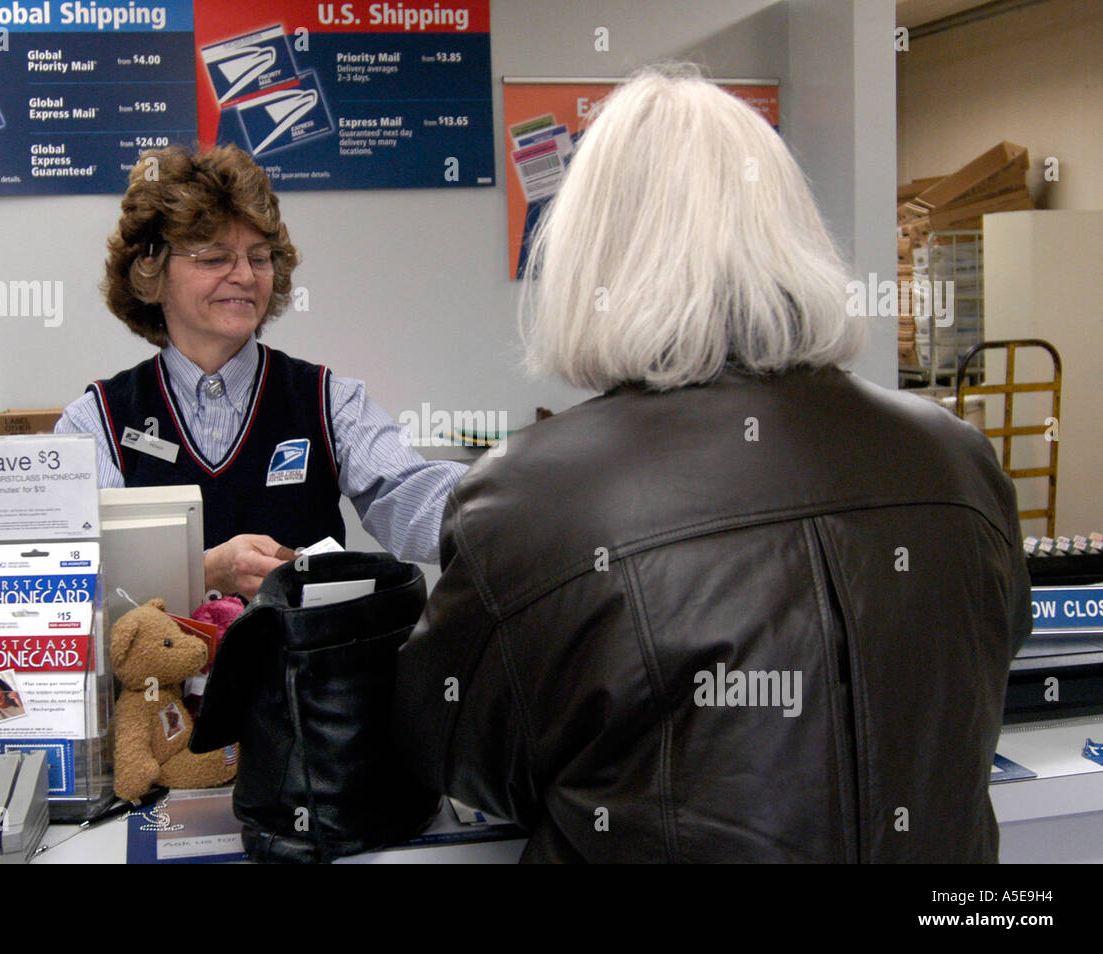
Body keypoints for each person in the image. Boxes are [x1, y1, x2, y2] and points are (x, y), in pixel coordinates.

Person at [392, 64, 1032, 863]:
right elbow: (983, 680)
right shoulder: (955, 458)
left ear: (591, 252)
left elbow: (461, 757)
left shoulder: (524, 498)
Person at [56, 146, 465, 598]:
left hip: (306, 666)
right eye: (214, 258)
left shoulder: (330, 402)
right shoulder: (97, 422)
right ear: (152, 271)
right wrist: (204, 572)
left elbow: (414, 495)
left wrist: (513, 498)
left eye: (259, 257)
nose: (246, 276)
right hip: (158, 668)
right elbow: (76, 578)